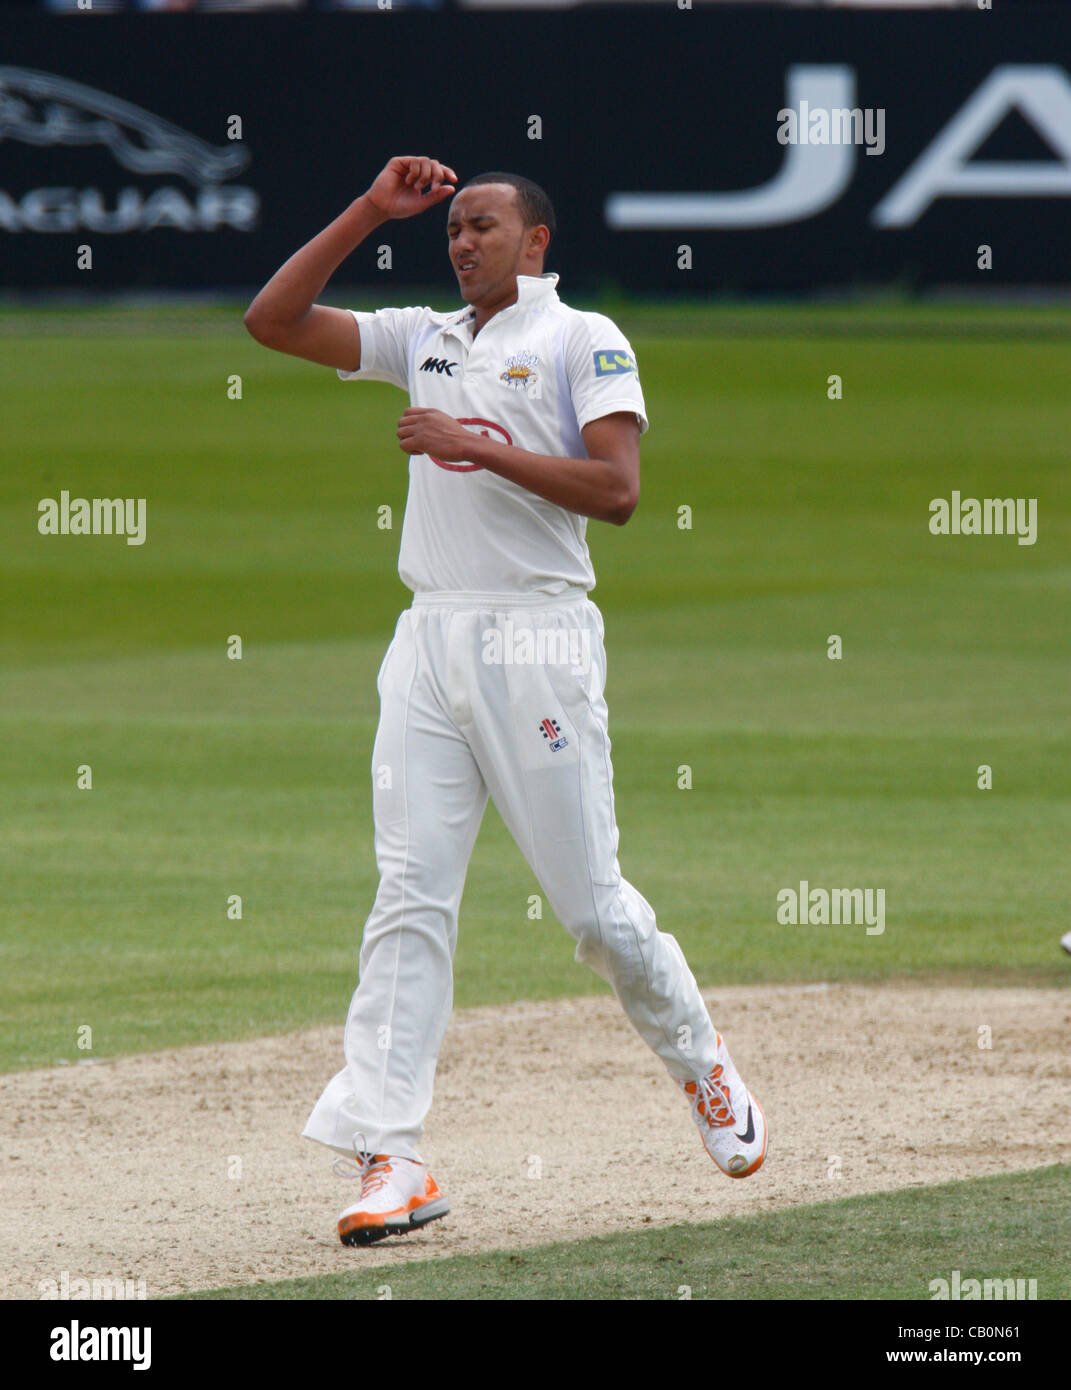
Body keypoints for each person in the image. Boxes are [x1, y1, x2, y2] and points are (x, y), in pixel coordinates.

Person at [244, 155, 768, 1246]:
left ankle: (702, 1065)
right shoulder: (422, 336)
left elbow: (618, 494)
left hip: (536, 632)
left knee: (592, 909)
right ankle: (394, 1154)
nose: (463, 242)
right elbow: (273, 322)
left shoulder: (583, 337)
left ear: (536, 242)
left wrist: (479, 449)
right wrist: (367, 212)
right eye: (451, 230)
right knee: (408, 894)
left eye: (483, 227)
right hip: (428, 638)